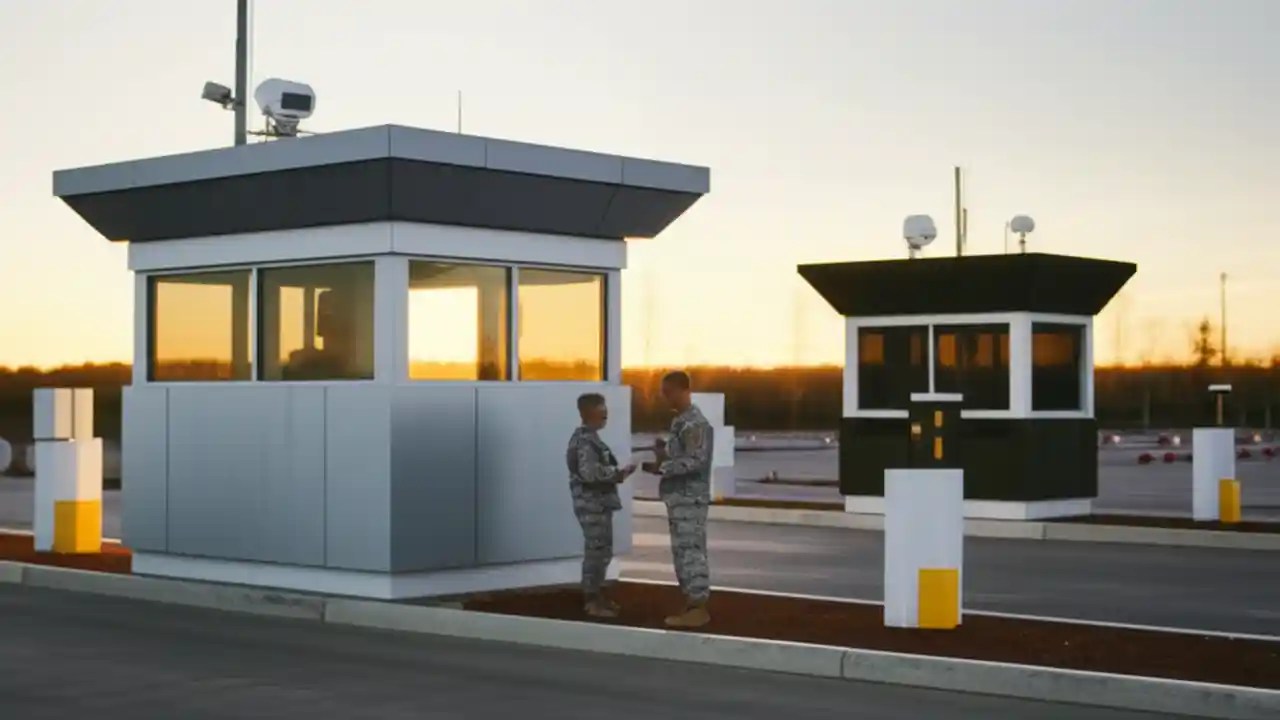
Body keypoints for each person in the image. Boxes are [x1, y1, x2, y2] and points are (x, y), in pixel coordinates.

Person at [642, 370, 714, 628]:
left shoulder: (694, 424)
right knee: (681, 552)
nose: (665, 397)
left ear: (683, 390)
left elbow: (696, 461)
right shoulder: (680, 422)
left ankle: (698, 606)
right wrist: (662, 455)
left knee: (691, 552)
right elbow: (680, 457)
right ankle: (691, 602)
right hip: (679, 499)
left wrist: (661, 468)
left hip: (689, 500)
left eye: (668, 392)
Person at [566, 393, 636, 618]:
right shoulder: (584, 442)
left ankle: (597, 595)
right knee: (596, 553)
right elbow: (589, 473)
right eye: (600, 410)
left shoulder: (592, 439)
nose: (605, 414)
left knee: (602, 552)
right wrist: (617, 473)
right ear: (588, 413)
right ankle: (591, 601)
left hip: (599, 505)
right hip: (591, 506)